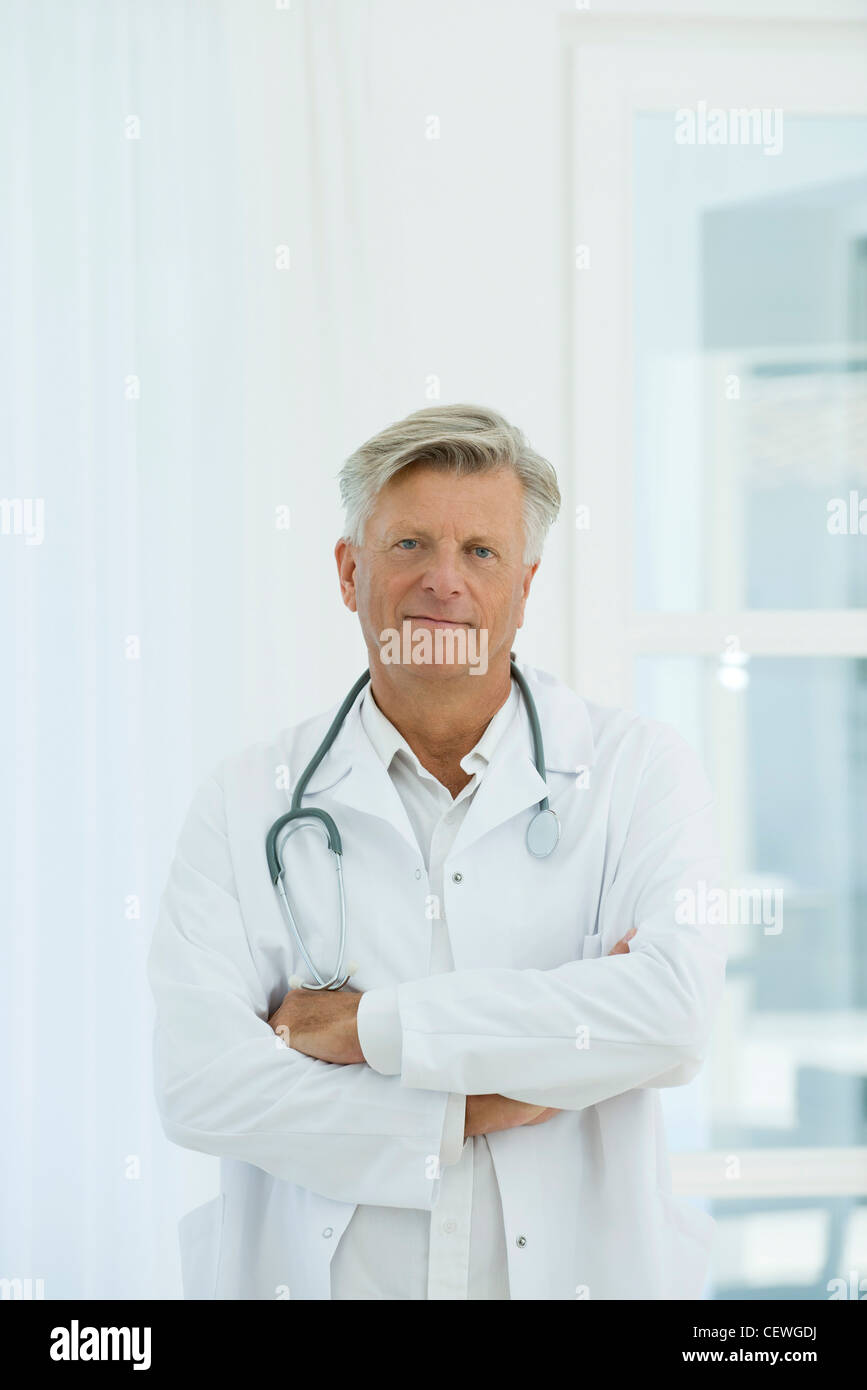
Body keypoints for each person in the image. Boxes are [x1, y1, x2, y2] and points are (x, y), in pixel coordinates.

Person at [147, 402, 727, 1300]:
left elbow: (674, 1016)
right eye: (409, 545)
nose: (443, 583)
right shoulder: (243, 799)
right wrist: (489, 1103)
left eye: (480, 553)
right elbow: (203, 1086)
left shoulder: (636, 772)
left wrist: (369, 1029)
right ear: (349, 572)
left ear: (525, 587)